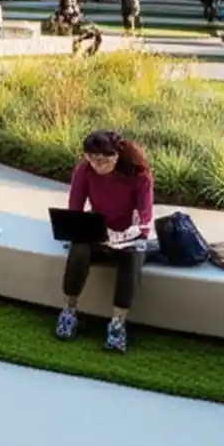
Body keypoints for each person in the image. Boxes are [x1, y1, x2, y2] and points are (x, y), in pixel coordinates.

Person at [54, 130, 154, 353]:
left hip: (129, 235)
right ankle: (69, 311)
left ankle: (117, 323)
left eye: (103, 159)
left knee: (131, 257)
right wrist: (77, 229)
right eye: (91, 158)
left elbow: (145, 221)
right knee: (79, 248)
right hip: (98, 230)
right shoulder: (84, 170)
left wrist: (127, 234)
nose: (97, 164)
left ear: (117, 155)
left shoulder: (139, 175)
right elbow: (75, 210)